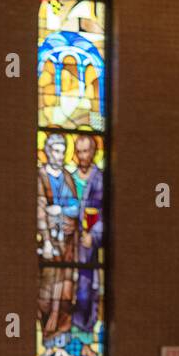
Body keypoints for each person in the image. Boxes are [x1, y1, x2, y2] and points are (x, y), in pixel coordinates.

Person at [37, 133, 79, 338]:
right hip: (48, 244)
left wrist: (61, 211)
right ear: (47, 151)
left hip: (67, 244)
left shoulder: (68, 178)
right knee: (45, 293)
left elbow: (76, 207)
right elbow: (39, 208)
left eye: (63, 152)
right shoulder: (40, 176)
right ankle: (46, 328)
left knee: (65, 292)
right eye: (56, 151)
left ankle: (60, 333)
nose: (60, 156)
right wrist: (45, 240)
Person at [72, 133, 104, 332]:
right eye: (79, 152)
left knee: (86, 285)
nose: (83, 156)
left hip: (89, 242)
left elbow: (106, 212)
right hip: (68, 239)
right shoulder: (69, 177)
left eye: (86, 151)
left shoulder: (100, 179)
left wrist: (94, 235)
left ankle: (84, 328)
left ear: (93, 153)